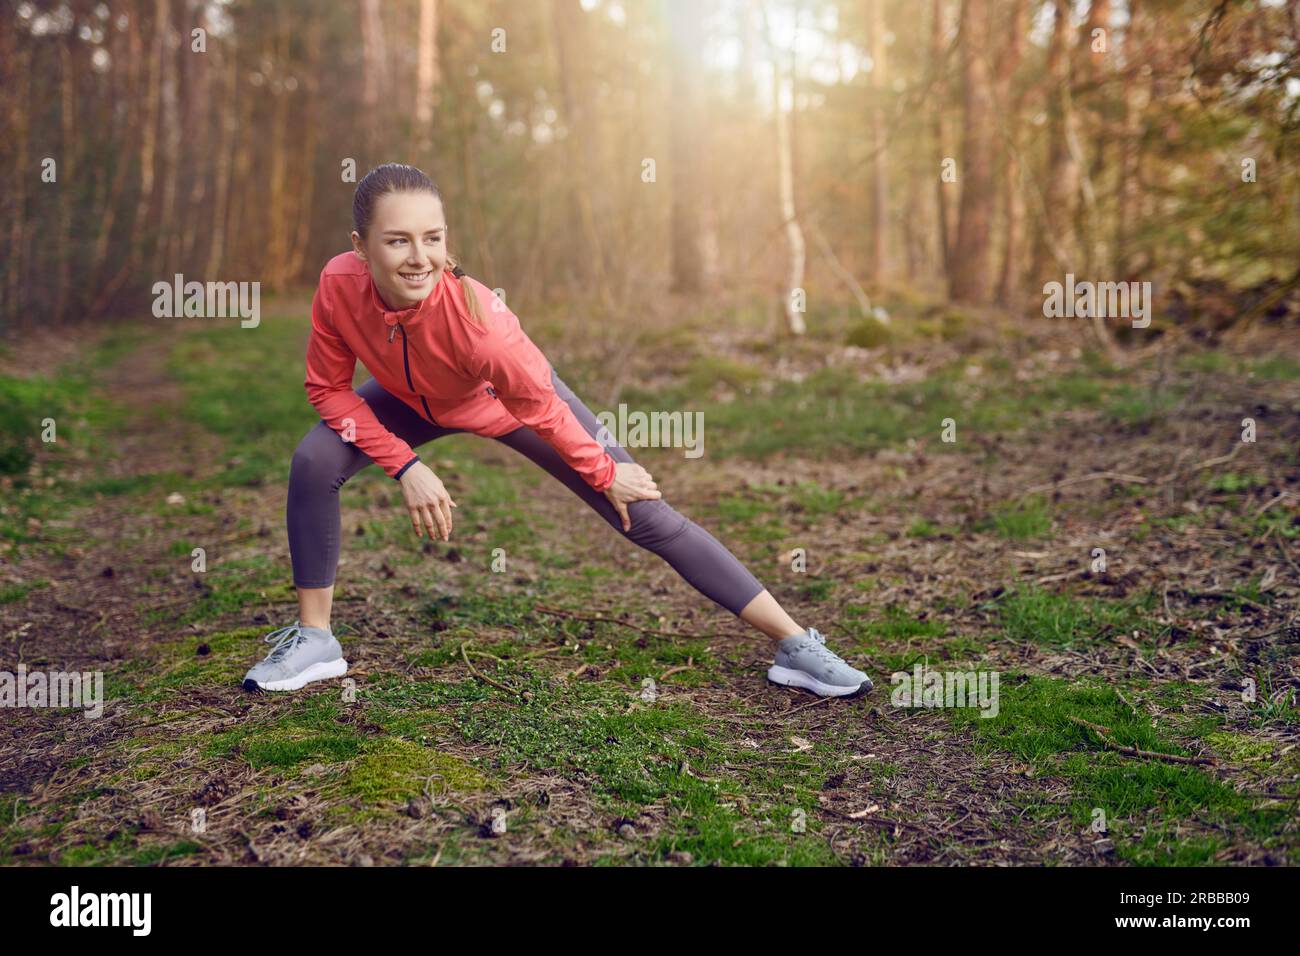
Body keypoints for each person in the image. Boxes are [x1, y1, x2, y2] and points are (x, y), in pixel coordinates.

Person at [242, 163, 871, 699]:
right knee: (314, 460)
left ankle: (793, 643)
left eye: (432, 238)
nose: (420, 257)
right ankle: (317, 642)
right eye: (398, 241)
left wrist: (605, 470)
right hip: (410, 402)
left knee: (642, 512)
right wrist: (404, 464)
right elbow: (327, 389)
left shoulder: (479, 323)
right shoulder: (337, 284)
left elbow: (541, 405)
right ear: (361, 246)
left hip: (507, 402)